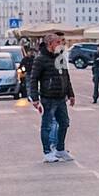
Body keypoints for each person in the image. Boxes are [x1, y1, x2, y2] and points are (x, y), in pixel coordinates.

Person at [27, 33, 74, 163]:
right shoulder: (40, 59)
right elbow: (33, 79)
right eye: (57, 42)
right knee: (47, 125)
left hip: (61, 97)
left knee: (64, 122)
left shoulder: (60, 58)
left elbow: (66, 76)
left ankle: (60, 149)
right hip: (48, 97)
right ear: (50, 44)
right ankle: (47, 152)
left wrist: (71, 94)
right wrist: (35, 98)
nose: (60, 45)